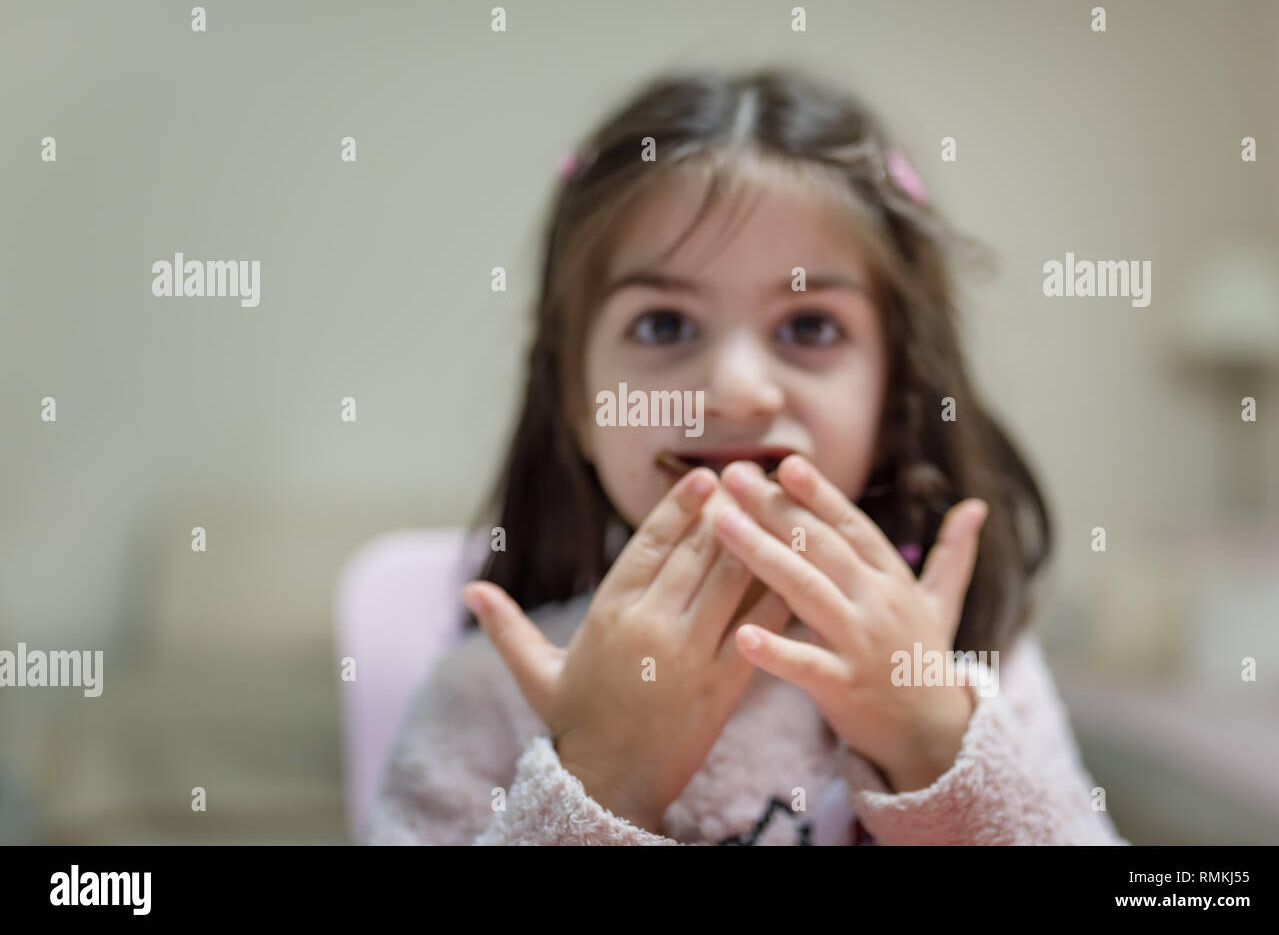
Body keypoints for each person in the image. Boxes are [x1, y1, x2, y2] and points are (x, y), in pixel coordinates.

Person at [367, 67, 1126, 845]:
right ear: (576, 399)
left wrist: (933, 744)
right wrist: (601, 778)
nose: (736, 390)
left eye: (808, 327)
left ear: (894, 399)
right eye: (664, 324)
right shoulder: (488, 693)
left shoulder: (974, 671)